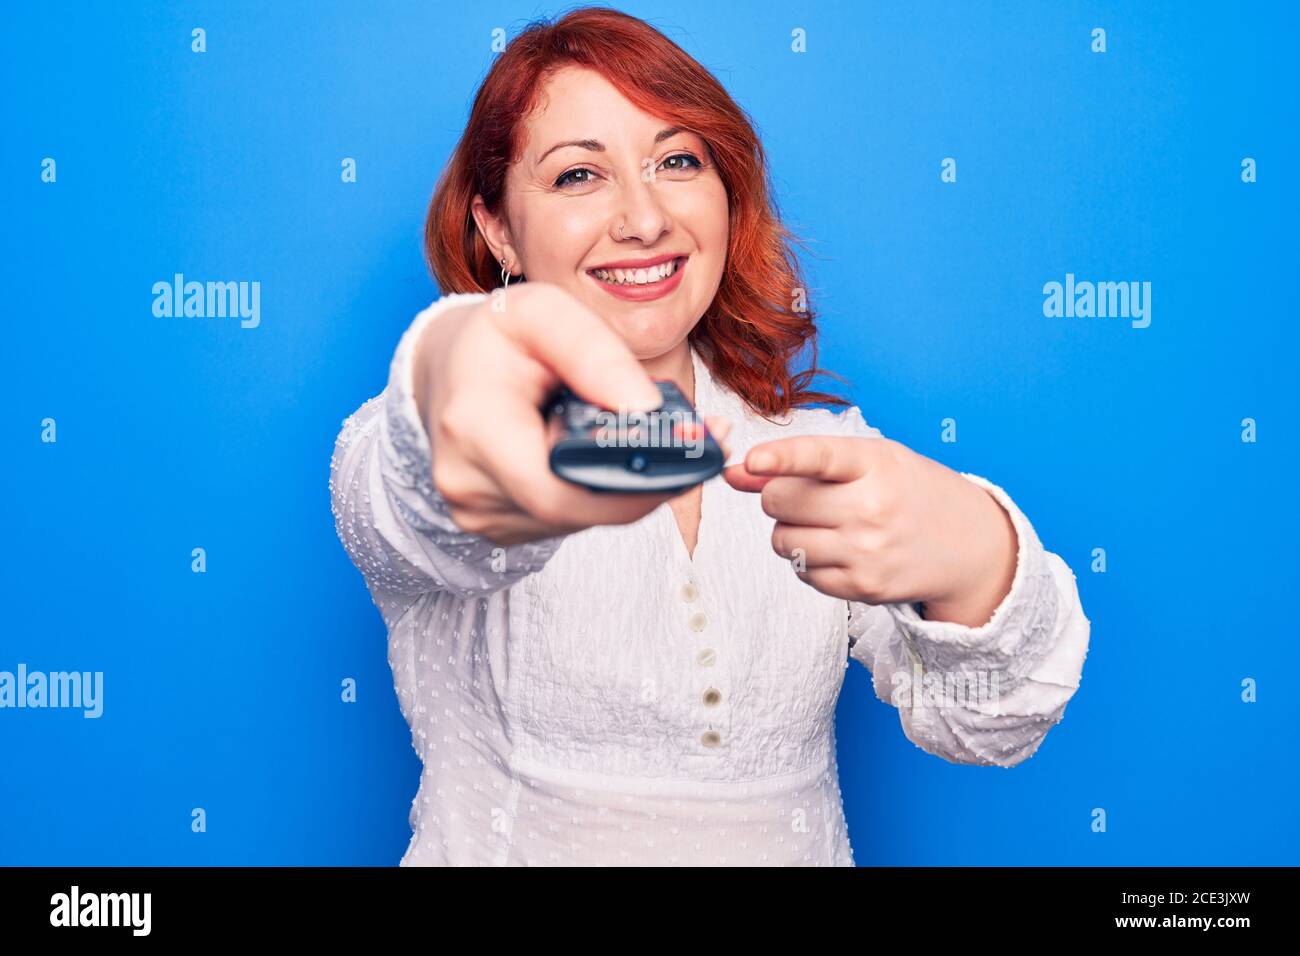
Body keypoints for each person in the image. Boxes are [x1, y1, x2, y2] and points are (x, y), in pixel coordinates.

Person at [329, 7, 1090, 866]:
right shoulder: (411, 428)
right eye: (580, 176)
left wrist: (981, 555)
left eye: (677, 160)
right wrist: (460, 401)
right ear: (498, 227)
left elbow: (991, 723)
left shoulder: (819, 449)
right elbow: (405, 497)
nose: (644, 218)